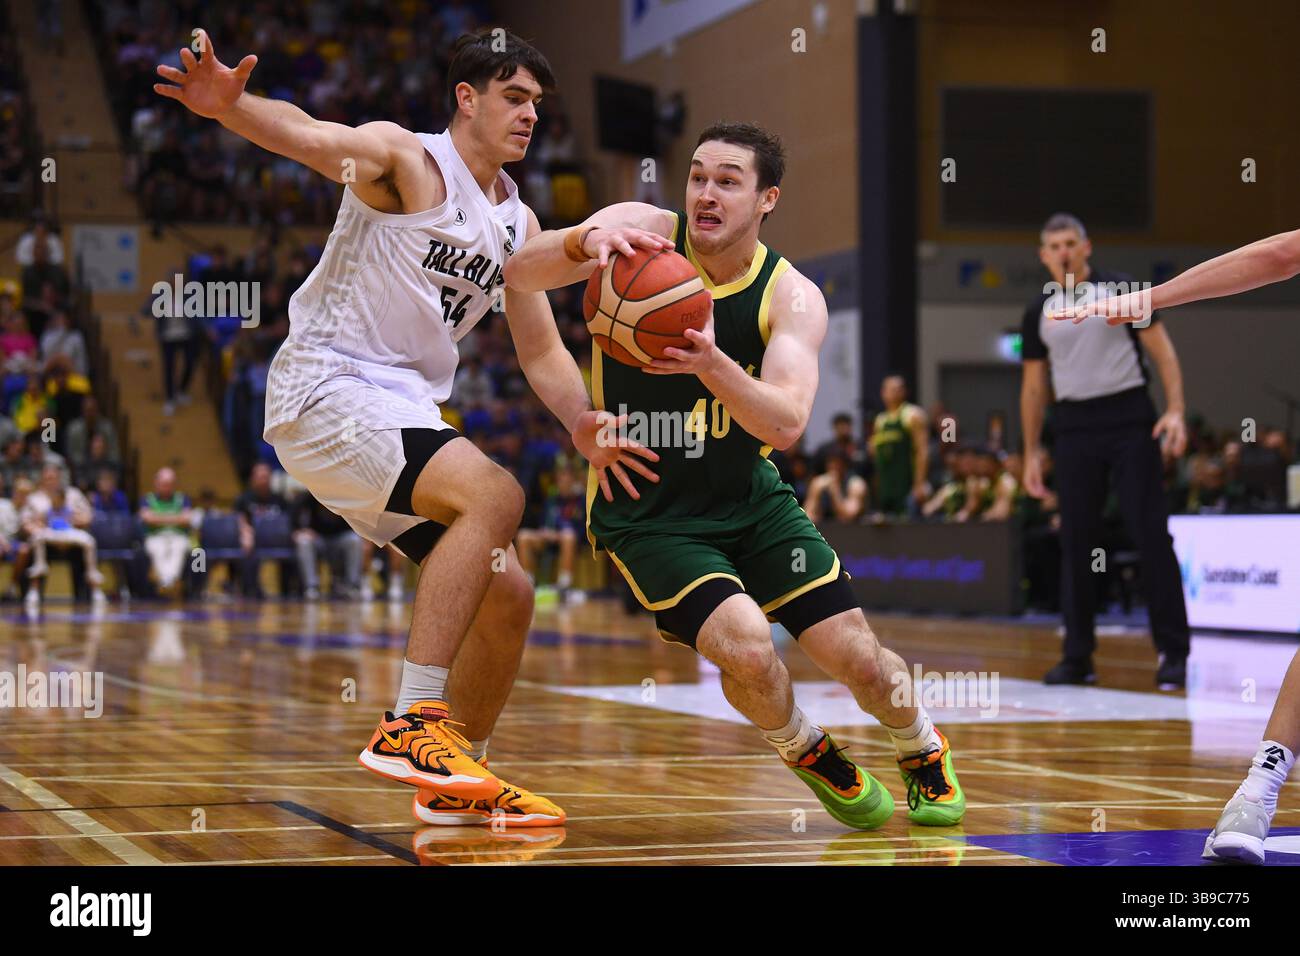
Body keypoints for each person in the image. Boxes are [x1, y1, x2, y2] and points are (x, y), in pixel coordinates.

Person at [155, 27, 655, 826]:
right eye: (515, 98)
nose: (530, 116)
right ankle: (410, 725)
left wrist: (582, 422)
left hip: (396, 413)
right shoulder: (407, 161)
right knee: (495, 494)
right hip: (328, 385)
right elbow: (316, 139)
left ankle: (457, 786)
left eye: (537, 104)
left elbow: (541, 347)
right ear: (467, 97)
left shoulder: (513, 224)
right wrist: (230, 108)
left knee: (510, 596)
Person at [505, 120, 965, 830]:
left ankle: (921, 745)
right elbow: (519, 272)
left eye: (728, 181)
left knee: (863, 663)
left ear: (767, 198)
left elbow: (784, 425)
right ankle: (807, 749)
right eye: (697, 177)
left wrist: (710, 361)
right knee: (748, 645)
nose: (706, 194)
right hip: (647, 510)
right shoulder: (640, 231)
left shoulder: (793, 296)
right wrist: (581, 244)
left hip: (751, 503)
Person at [1057, 224, 1300, 865]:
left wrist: (1151, 299)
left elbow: (1280, 255)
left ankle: (1257, 793)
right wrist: (1150, 299)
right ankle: (1258, 788)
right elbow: (1280, 254)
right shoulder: (1048, 313)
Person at [1019, 212, 1190, 689]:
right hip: (1074, 428)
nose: (1065, 252)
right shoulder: (1038, 312)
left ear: (1087, 246)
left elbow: (1163, 352)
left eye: (1071, 242)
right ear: (1044, 255)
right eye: (1055, 246)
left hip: (1130, 419)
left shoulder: (1121, 290)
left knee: (1150, 532)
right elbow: (1034, 388)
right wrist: (1032, 451)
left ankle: (1173, 653)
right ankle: (1078, 657)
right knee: (1077, 540)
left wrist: (1174, 409)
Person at [22, 464, 106, 609]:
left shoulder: (73, 494)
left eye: (53, 478)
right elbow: (26, 522)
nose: (50, 481)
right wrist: (40, 527)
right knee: (34, 546)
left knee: (88, 543)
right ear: (42, 478)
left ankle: (90, 591)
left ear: (59, 478)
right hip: (46, 542)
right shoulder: (34, 498)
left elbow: (88, 516)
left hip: (71, 540)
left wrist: (71, 522)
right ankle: (34, 590)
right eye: (47, 478)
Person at [868, 374, 928, 517]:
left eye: (898, 389)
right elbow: (876, 455)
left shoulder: (913, 415)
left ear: (904, 392)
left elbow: (922, 451)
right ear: (883, 392)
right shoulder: (880, 420)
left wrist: (919, 484)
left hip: (907, 484)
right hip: (887, 484)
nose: (894, 392)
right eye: (889, 389)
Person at [294, 492, 363, 600]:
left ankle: (353, 585)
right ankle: (311, 587)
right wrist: (301, 531)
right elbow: (294, 522)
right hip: (318, 540)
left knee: (354, 540)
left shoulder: (344, 496)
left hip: (339, 539)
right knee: (304, 541)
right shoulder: (308, 497)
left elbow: (354, 524)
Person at [139, 467, 194, 595]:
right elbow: (147, 518)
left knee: (181, 548)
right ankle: (169, 582)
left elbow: (187, 519)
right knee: (158, 549)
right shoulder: (147, 499)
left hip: (178, 536)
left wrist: (159, 518)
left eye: (169, 484)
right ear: (156, 483)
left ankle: (167, 581)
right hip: (155, 536)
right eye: (164, 484)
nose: (167, 487)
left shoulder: (183, 498)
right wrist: (175, 518)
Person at [803, 450, 867, 523]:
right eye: (830, 463)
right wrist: (816, 492)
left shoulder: (856, 484)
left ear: (844, 465)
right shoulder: (819, 483)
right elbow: (807, 516)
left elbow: (850, 516)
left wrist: (835, 491)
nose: (833, 466)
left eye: (837, 463)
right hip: (826, 530)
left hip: (855, 531)